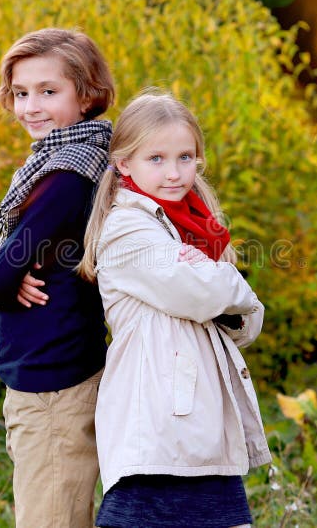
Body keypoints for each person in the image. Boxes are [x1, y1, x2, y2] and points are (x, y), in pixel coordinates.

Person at [77, 90, 272, 528]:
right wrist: (223, 282)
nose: (174, 173)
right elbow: (201, 292)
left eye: (185, 157)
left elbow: (243, 321)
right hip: (159, 429)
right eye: (157, 159)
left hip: (200, 431)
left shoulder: (192, 229)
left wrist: (219, 282)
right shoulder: (127, 228)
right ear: (125, 164)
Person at [0, 27, 115, 528]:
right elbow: (3, 265)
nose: (31, 106)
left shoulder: (65, 177)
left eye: (48, 91)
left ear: (87, 93)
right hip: (54, 372)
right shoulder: (70, 159)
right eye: (20, 92)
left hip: (53, 385)